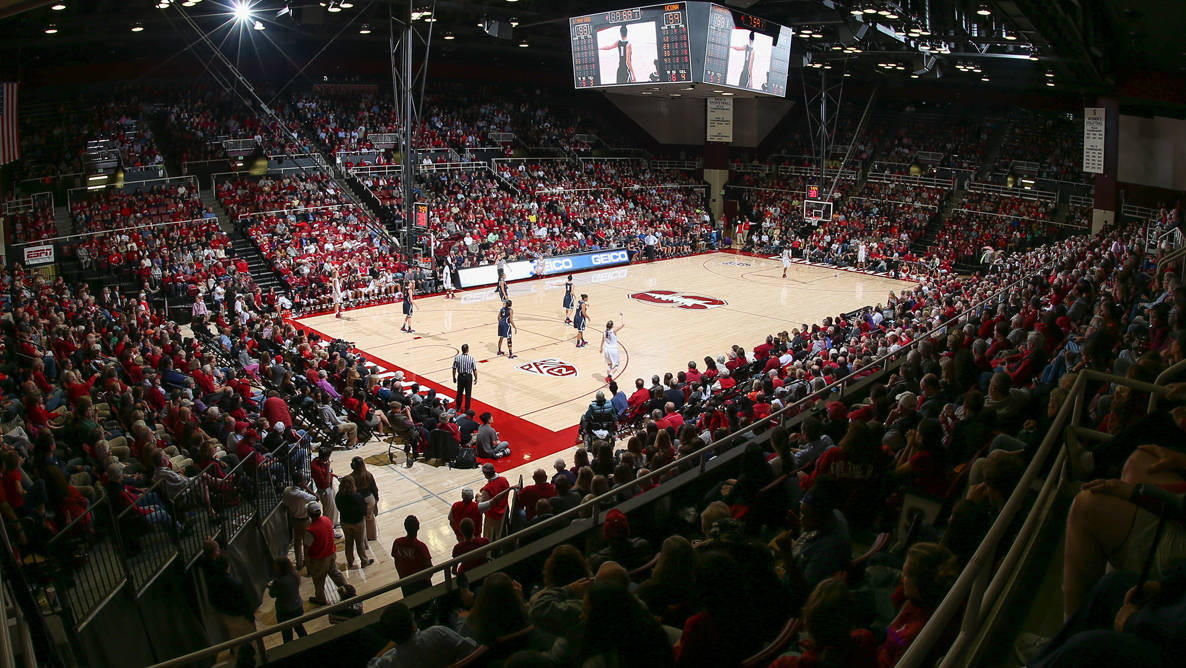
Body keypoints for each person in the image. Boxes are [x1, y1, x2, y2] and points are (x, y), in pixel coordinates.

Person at [367, 601, 477, 668]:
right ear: (413, 625)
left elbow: (371, 664)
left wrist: (389, 646)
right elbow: (470, 648)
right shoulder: (437, 633)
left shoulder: (388, 662)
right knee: (458, 616)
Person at [206, 554, 266, 664]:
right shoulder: (235, 584)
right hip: (241, 617)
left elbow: (213, 601)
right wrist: (250, 617)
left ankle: (240, 662)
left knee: (236, 642)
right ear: (228, 566)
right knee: (250, 642)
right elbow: (244, 602)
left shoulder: (212, 582)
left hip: (226, 616)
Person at [304, 501, 350, 606]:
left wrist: (308, 564)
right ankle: (347, 589)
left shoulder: (310, 530)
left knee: (319, 580)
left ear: (309, 514)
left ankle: (321, 599)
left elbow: (307, 547)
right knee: (335, 573)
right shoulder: (326, 520)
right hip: (331, 553)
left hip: (319, 558)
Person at [281, 472, 317, 570]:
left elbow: (285, 505)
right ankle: (309, 567)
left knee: (297, 542)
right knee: (307, 544)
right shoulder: (302, 494)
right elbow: (316, 498)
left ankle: (299, 563)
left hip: (294, 519)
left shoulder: (286, 491)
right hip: (304, 520)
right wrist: (307, 488)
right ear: (301, 482)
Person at [391, 515, 433, 598]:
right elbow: (430, 568)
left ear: (405, 527)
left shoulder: (397, 542)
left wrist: (401, 576)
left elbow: (396, 561)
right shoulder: (420, 547)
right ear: (418, 527)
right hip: (421, 583)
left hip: (405, 581)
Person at [335, 476, 373, 568]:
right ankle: (364, 561)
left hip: (345, 522)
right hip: (357, 523)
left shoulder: (339, 496)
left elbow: (338, 508)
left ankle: (350, 562)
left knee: (348, 542)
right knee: (359, 543)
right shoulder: (357, 497)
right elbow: (363, 511)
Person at [268, 557, 308, 643]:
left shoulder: (278, 582)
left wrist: (271, 587)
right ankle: (307, 644)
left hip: (285, 612)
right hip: (298, 607)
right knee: (300, 629)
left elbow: (272, 594)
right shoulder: (295, 575)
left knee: (287, 635)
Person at [349, 456, 381, 541]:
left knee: (360, 520)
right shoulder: (368, 475)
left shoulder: (351, 477)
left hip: (358, 500)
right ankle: (372, 537)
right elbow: (374, 489)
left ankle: (362, 540)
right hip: (369, 499)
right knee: (370, 519)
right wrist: (376, 500)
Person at [479, 462, 511, 540]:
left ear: (485, 474)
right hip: (505, 512)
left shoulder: (487, 489)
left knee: (490, 538)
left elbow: (483, 506)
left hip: (492, 518)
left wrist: (478, 499)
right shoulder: (504, 479)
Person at [452, 344, 477, 413]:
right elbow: (474, 369)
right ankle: (467, 409)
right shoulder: (471, 358)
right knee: (468, 394)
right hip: (468, 377)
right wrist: (476, 378)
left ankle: (458, 407)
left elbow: (454, 368)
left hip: (460, 376)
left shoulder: (457, 358)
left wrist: (454, 377)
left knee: (459, 392)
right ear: (468, 350)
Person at [600, 314, 625, 384]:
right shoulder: (613, 330)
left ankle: (609, 380)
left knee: (609, 365)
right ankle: (609, 377)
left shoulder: (604, 332)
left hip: (606, 350)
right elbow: (623, 324)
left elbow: (602, 341)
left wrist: (600, 348)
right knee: (616, 365)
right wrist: (622, 316)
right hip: (613, 350)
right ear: (612, 326)